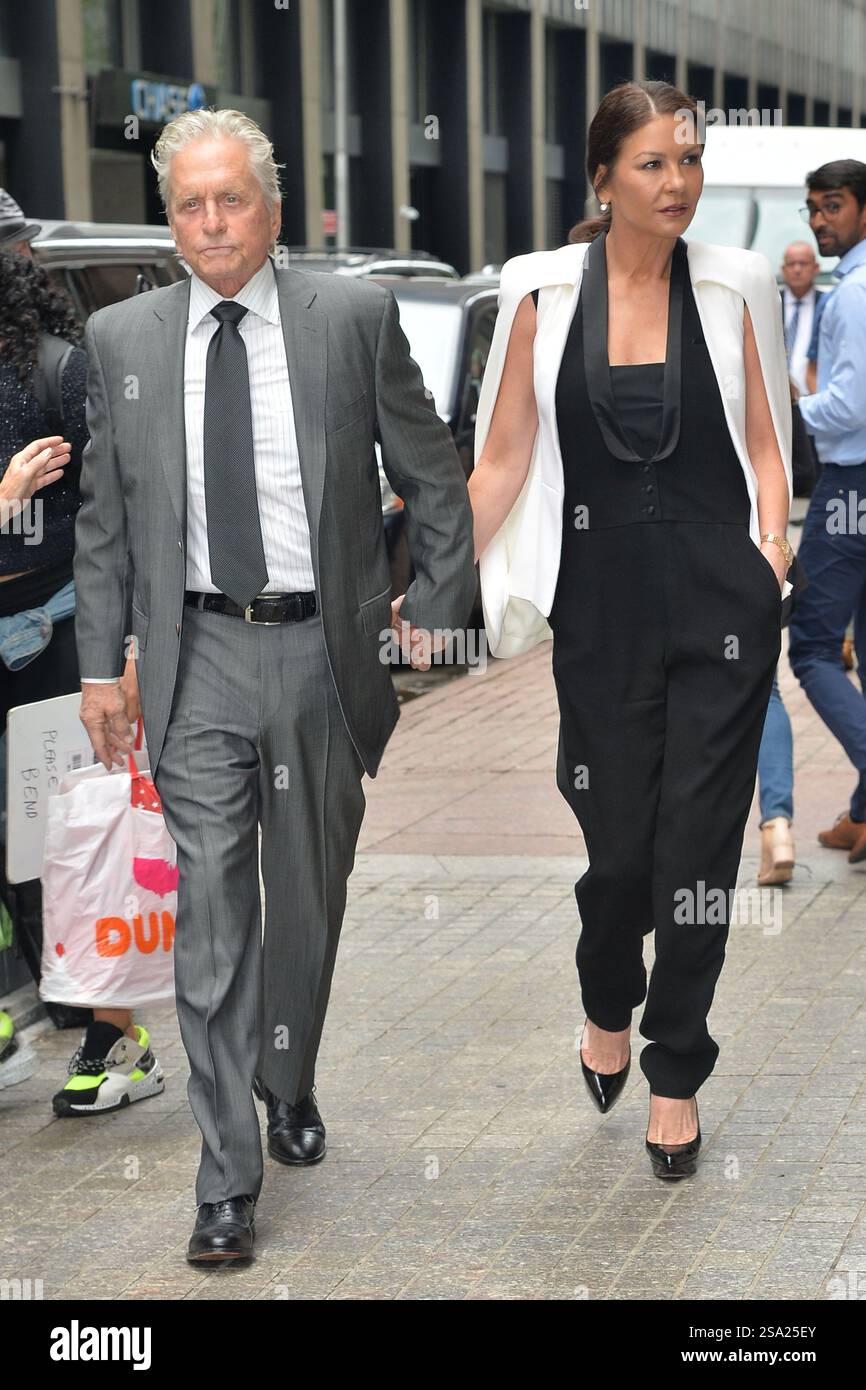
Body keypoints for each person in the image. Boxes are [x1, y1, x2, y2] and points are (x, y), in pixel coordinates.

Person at [73, 107, 476, 1262]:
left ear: (272, 208)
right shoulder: (124, 339)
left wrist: (433, 627)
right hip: (193, 662)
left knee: (303, 905)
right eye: (189, 204)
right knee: (210, 914)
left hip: (319, 658)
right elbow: (104, 524)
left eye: (231, 199)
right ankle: (223, 1179)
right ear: (169, 218)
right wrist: (104, 668)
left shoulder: (350, 315)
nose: (210, 222)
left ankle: (284, 1075)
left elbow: (430, 476)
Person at [469, 80, 794, 1180]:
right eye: (653, 163)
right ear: (601, 177)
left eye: (689, 161)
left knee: (697, 852)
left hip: (721, 606)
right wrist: (426, 581)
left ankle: (673, 1071)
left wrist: (770, 548)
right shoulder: (541, 295)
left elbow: (762, 442)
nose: (678, 184)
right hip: (598, 603)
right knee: (617, 861)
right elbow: (505, 458)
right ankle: (605, 994)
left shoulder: (737, 282)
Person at [0, 249, 162, 1113]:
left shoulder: (57, 371)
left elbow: (118, 513)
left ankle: (117, 1036)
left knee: (80, 836)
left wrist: (126, 650)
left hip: (59, 629)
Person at [787, 160, 866, 865]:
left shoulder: (854, 294)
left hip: (852, 485)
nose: (819, 220)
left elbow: (850, 406)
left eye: (833, 206)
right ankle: (864, 816)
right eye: (813, 208)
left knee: (810, 645)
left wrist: (785, 410)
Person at [779, 241, 825, 397]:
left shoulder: (828, 303)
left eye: (803, 263)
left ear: (816, 268)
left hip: (814, 397)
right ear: (783, 270)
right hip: (777, 397)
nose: (797, 269)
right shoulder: (770, 302)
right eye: (791, 264)